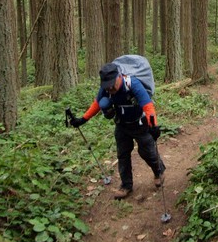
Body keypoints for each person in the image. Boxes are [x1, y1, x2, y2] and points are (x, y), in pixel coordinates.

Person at [69, 62, 165, 199]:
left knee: (147, 152)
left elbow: (148, 105)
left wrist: (153, 126)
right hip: (122, 125)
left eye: (112, 84)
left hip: (139, 123)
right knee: (123, 155)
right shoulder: (106, 88)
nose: (109, 88)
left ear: (119, 77)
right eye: (106, 85)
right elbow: (97, 104)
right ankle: (126, 186)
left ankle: (158, 172)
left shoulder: (133, 84)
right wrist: (83, 119)